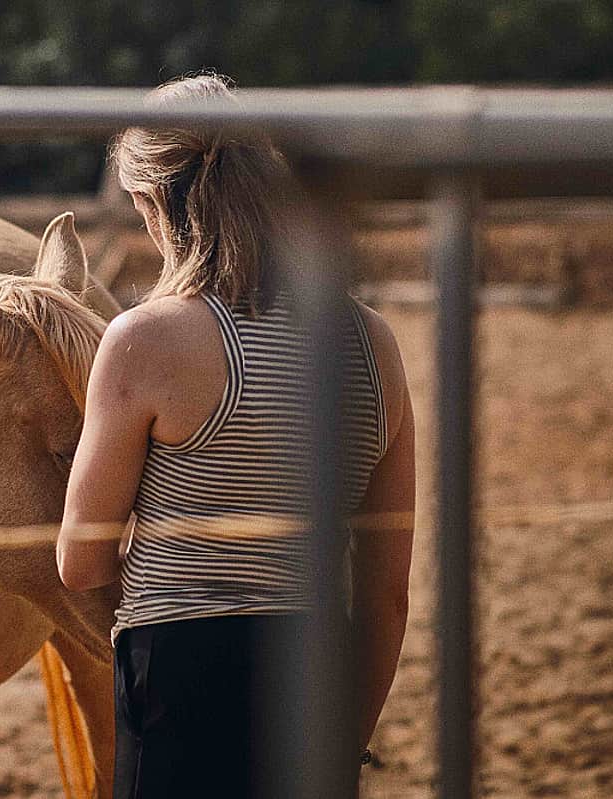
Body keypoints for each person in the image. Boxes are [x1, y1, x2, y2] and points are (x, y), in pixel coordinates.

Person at [55, 74, 415, 798]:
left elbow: (81, 561)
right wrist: (347, 741)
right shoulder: (373, 343)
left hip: (181, 678)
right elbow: (387, 596)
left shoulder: (146, 340)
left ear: (154, 202)